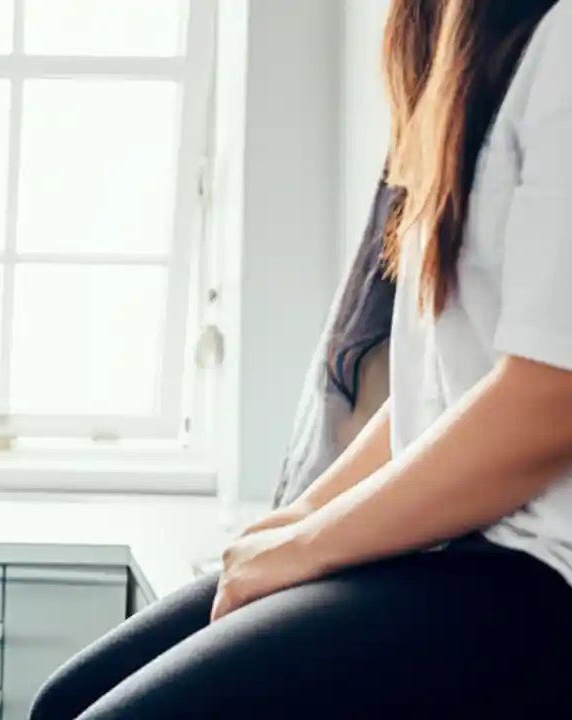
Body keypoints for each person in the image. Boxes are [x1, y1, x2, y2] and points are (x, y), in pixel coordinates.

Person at [29, 0, 572, 717]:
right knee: (63, 702)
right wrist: (297, 521)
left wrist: (310, 546)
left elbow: (546, 402)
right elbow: (433, 398)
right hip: (454, 552)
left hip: (537, 577)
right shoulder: (451, 46)